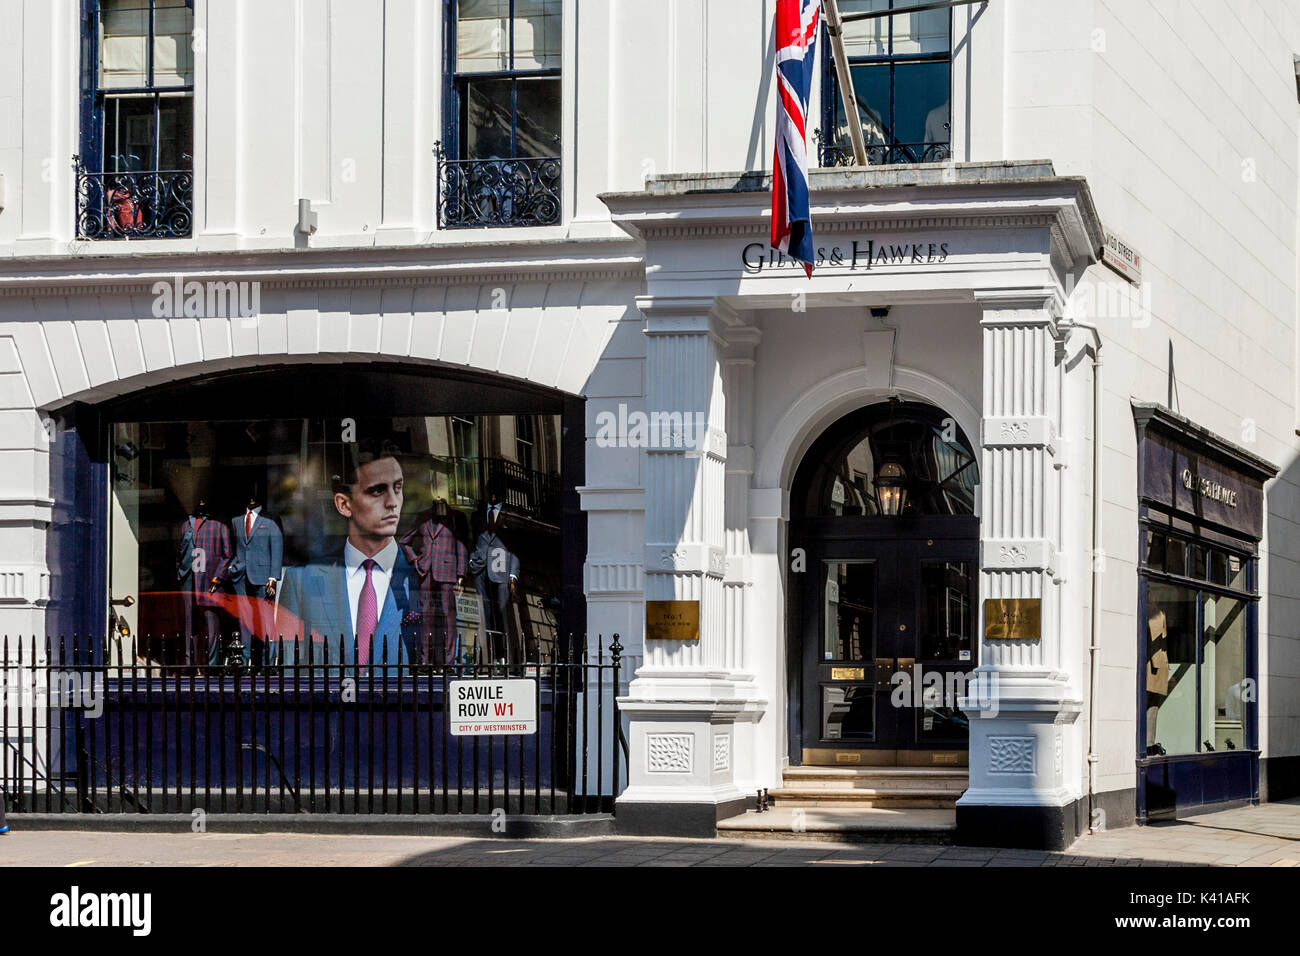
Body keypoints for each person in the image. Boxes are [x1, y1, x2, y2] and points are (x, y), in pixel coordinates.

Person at [276, 439, 418, 676]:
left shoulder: (423, 579)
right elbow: (287, 675)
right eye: (377, 490)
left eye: (398, 488)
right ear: (344, 504)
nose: (393, 502)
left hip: (401, 712)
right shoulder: (301, 582)